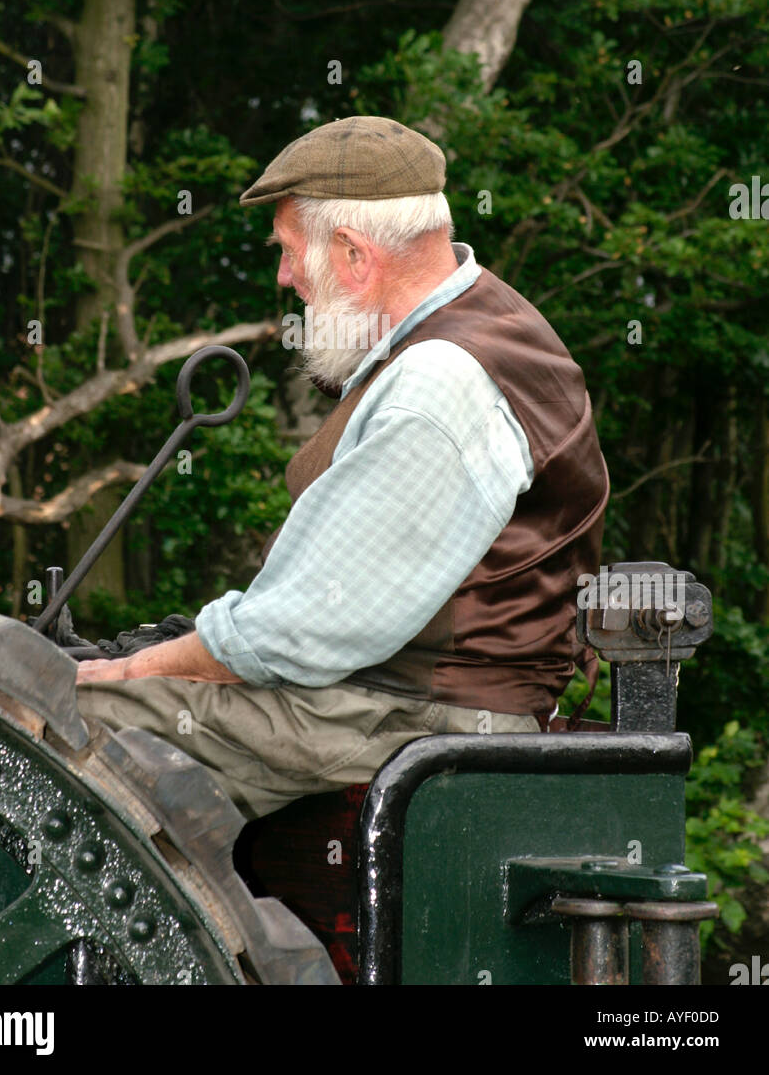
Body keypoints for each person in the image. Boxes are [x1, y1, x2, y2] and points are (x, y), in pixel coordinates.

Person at [75, 116, 609, 820]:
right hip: (390, 702)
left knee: (53, 714)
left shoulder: (441, 382)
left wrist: (131, 669)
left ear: (355, 256)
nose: (284, 277)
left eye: (291, 252)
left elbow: (300, 632)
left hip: (412, 719)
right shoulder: (479, 325)